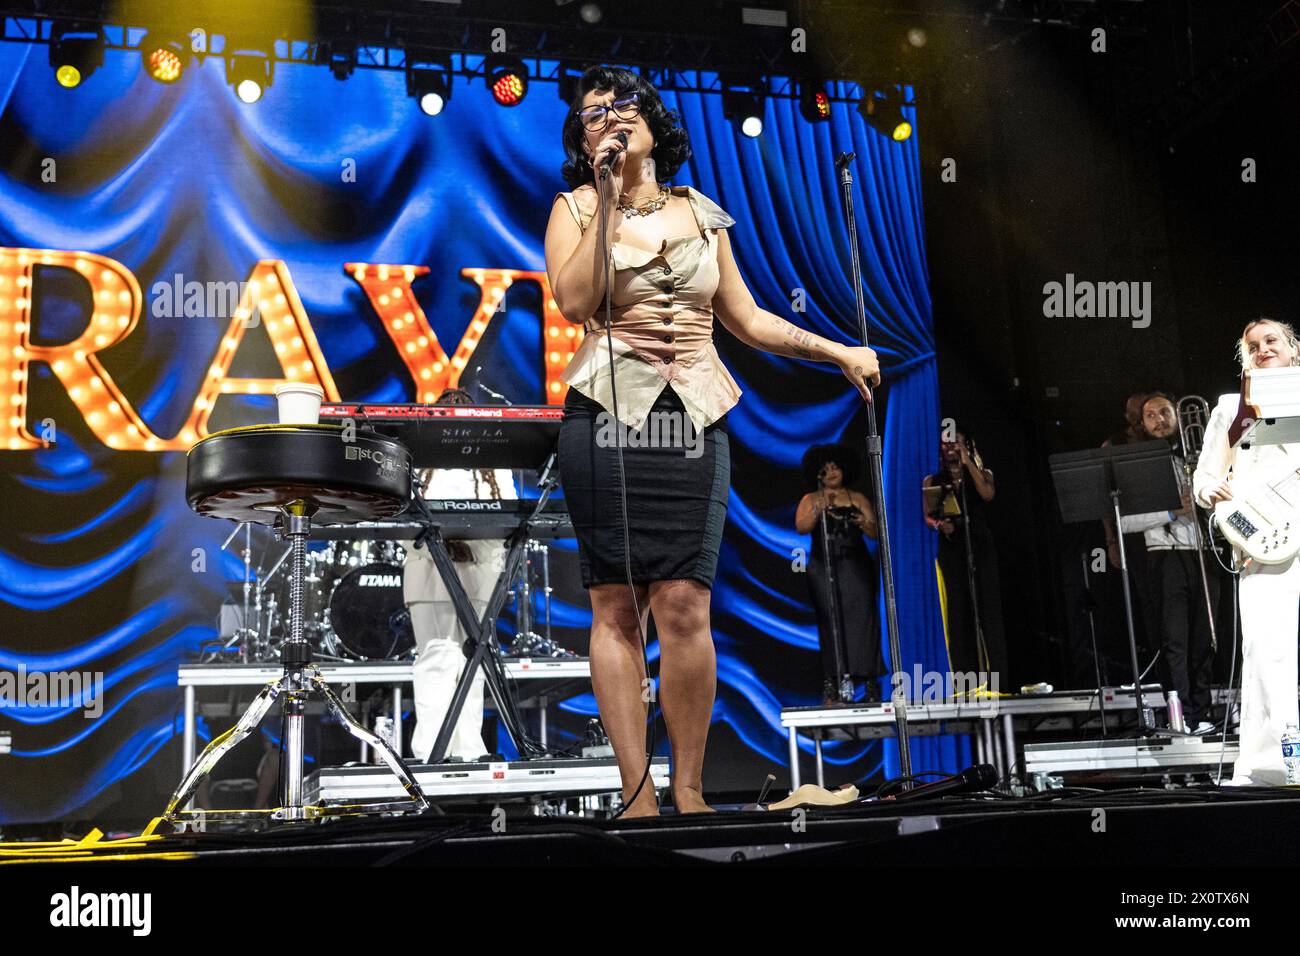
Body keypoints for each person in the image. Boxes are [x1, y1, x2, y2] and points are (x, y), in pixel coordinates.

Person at [543, 66, 879, 816]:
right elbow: (572, 302)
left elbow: (750, 321)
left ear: (655, 125)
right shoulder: (573, 208)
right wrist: (606, 197)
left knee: (686, 601)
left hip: (692, 416)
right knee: (616, 605)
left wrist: (838, 352)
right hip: (606, 414)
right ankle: (635, 794)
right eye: (590, 115)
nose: (604, 119)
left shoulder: (703, 214)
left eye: (618, 107)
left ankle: (688, 790)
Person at [1194, 317, 1300, 785]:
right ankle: (1275, 767)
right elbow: (1203, 480)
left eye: (1271, 340)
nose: (1262, 349)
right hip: (1264, 542)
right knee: (1266, 651)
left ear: (1292, 348)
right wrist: (1213, 493)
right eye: (1252, 346)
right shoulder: (1231, 407)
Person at [401, 388, 516, 763]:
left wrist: (472, 549)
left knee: (473, 659)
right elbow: (403, 519)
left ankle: (470, 751)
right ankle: (432, 752)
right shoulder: (419, 464)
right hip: (429, 573)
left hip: (479, 576)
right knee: (437, 657)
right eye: (448, 413)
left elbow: (509, 520)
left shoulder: (495, 466)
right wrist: (443, 545)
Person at [1119, 392, 1219, 733]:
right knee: (1175, 639)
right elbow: (1125, 522)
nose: (1160, 420)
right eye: (1151, 415)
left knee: (1205, 638)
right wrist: (1171, 511)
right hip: (1165, 557)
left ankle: (1202, 713)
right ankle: (1183, 715)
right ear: (1142, 424)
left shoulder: (1198, 457)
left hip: (1203, 553)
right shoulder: (1139, 467)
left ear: (1178, 414)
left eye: (1165, 412)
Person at [795, 444, 883, 704]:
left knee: (863, 622)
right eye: (826, 468)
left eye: (836, 467)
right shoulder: (811, 499)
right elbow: (801, 527)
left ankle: (869, 682)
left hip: (855, 566)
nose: (832, 472)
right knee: (831, 623)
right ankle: (833, 683)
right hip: (824, 568)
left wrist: (862, 522)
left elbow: (876, 533)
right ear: (818, 473)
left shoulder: (857, 497)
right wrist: (819, 508)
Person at [923, 427, 1006, 680]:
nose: (951, 448)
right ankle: (965, 679)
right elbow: (928, 514)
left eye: (955, 443)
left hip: (979, 543)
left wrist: (968, 460)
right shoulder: (932, 480)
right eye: (946, 444)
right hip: (951, 545)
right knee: (958, 612)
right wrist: (939, 524)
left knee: (988, 609)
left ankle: (996, 677)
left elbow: (987, 494)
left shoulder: (981, 474)